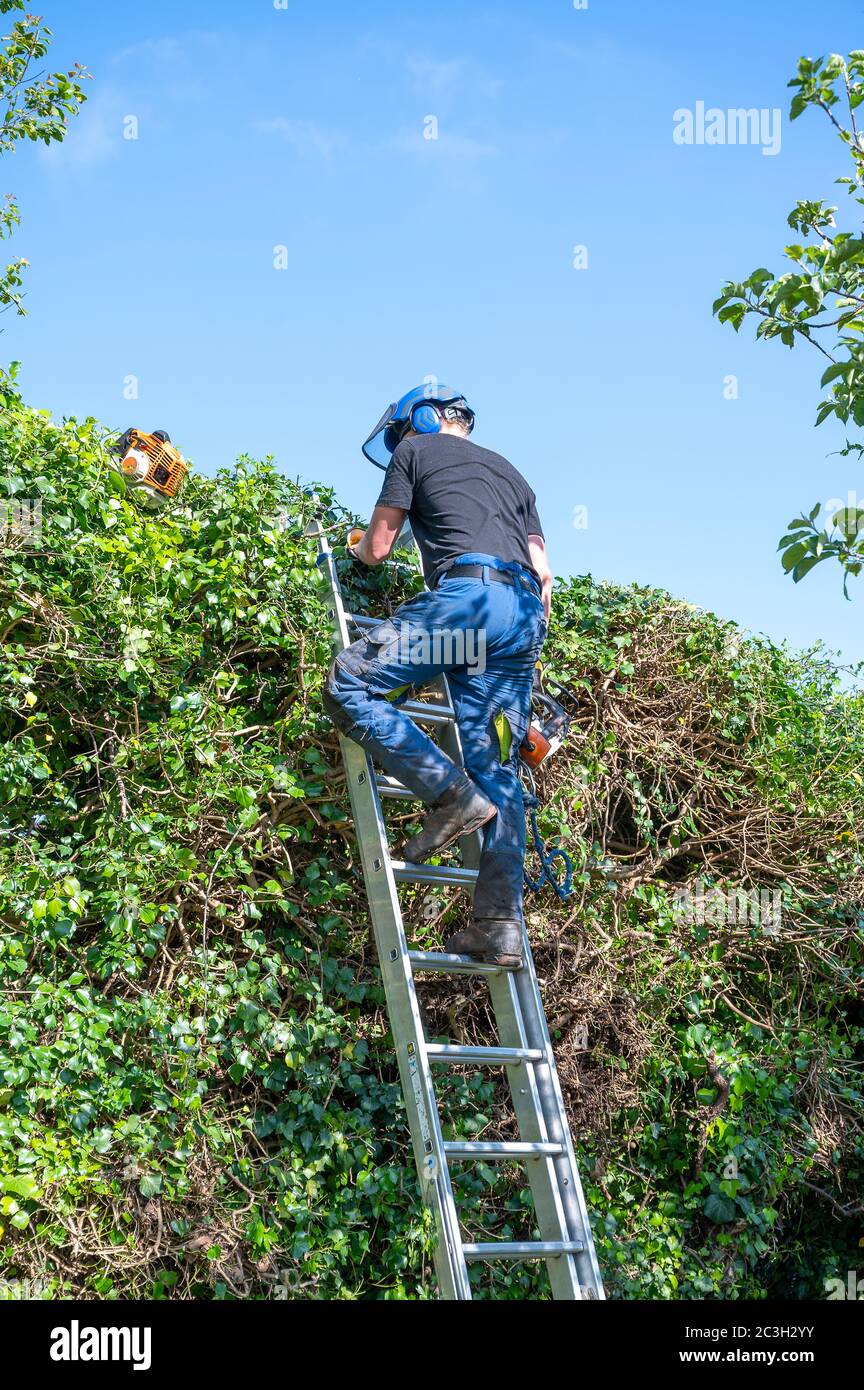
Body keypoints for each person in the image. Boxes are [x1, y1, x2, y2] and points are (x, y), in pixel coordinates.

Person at [322, 384, 552, 968]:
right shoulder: (512, 473)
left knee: (350, 682)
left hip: (468, 608)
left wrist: (358, 550)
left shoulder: (415, 452)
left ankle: (449, 796)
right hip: (523, 618)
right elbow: (545, 574)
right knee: (497, 765)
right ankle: (499, 926)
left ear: (419, 420)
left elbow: (377, 547)